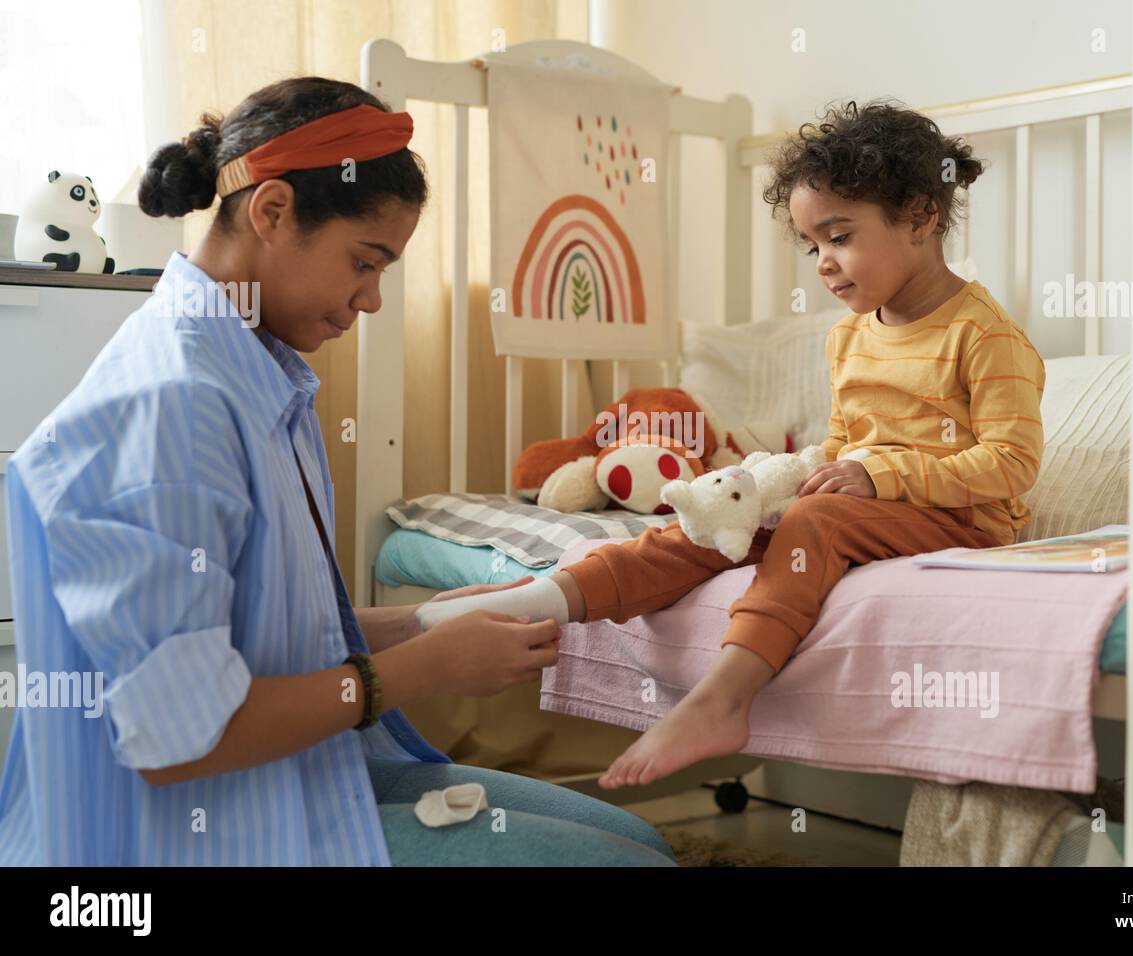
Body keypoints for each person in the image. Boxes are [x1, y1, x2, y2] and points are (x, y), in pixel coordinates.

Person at [0, 76, 675, 867]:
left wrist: (425, 621)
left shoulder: (255, 371)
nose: (373, 299)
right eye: (366, 260)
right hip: (180, 828)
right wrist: (418, 669)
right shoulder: (173, 406)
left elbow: (261, 630)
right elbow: (174, 738)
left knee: (635, 838)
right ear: (273, 211)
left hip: (279, 769)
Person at [416, 99, 1047, 791]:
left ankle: (723, 700)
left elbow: (1011, 465)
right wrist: (786, 480)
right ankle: (545, 598)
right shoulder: (849, 336)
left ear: (923, 216)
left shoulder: (983, 335)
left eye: (839, 237)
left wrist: (877, 477)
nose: (824, 265)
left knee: (815, 519)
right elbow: (844, 443)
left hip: (958, 525)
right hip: (866, 511)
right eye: (813, 246)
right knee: (712, 523)